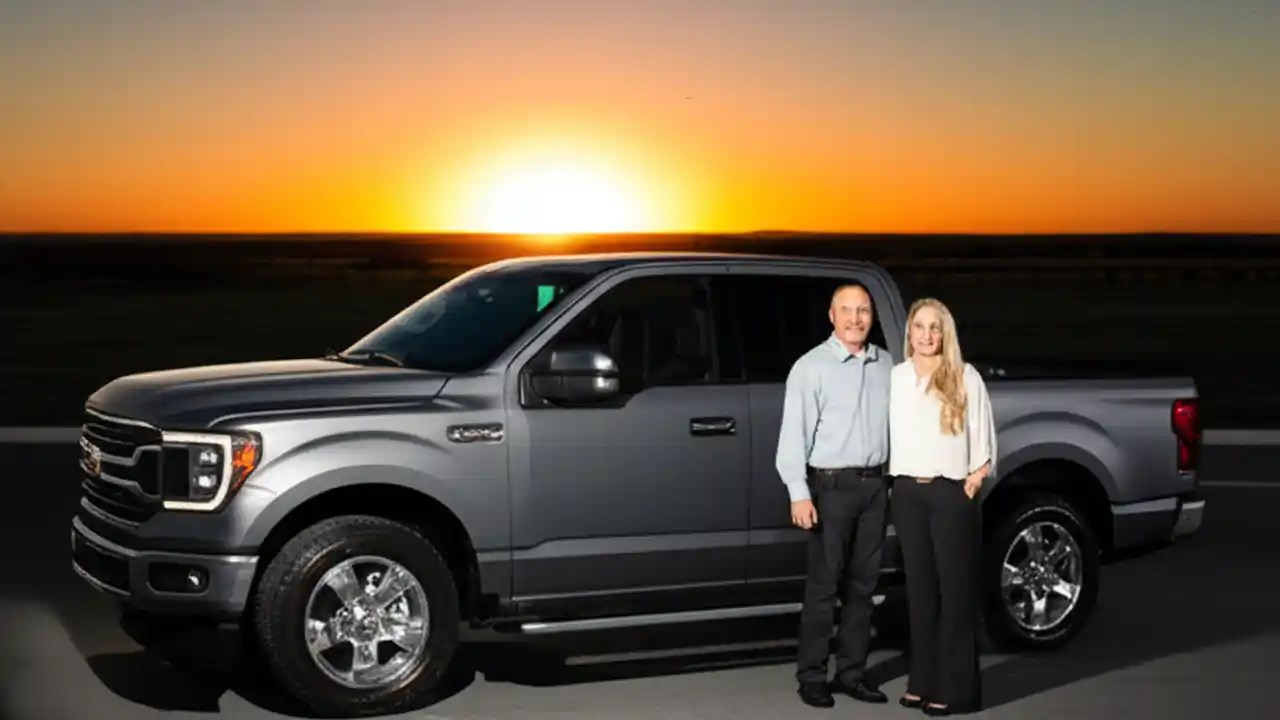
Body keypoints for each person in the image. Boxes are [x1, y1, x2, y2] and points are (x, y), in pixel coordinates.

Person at [776, 282, 892, 708]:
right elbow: (794, 435)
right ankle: (811, 676)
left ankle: (852, 674)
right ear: (831, 315)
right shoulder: (811, 368)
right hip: (830, 488)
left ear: (872, 316)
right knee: (824, 587)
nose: (855, 319)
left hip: (876, 486)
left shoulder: (886, 365)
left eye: (863, 310)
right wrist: (798, 492)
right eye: (846, 310)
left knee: (863, 588)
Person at [888, 298, 996, 716]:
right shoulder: (897, 378)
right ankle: (923, 680)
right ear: (909, 332)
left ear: (945, 334)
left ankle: (958, 690)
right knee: (920, 594)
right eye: (920, 326)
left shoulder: (965, 376)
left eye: (935, 327)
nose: (927, 335)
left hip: (950, 493)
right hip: (909, 496)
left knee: (955, 595)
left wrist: (973, 479)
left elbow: (983, 437)